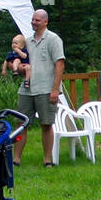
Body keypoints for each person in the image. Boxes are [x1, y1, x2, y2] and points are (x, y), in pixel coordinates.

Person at [15, 9, 65, 168]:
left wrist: (55, 89)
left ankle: (47, 160)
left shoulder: (53, 39)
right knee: (21, 124)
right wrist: (20, 69)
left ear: (45, 22)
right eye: (33, 20)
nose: (33, 22)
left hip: (46, 88)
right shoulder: (27, 41)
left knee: (46, 124)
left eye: (37, 20)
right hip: (27, 89)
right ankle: (16, 159)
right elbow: (19, 61)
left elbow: (60, 64)